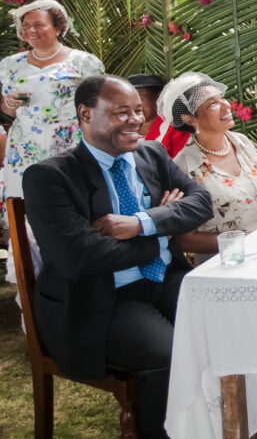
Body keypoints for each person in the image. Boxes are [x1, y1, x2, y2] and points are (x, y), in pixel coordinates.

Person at [23, 75, 212, 439]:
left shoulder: (151, 153)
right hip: (101, 300)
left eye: (138, 111)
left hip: (164, 278)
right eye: (121, 112)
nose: (135, 120)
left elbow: (199, 202)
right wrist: (160, 234)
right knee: (171, 355)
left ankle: (217, 425)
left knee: (223, 324)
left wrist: (142, 222)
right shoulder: (49, 178)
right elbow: (81, 257)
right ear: (85, 114)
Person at [1, 0, 104, 282]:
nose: (30, 30)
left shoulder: (84, 62)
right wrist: (9, 104)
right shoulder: (10, 65)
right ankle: (29, 291)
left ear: (58, 26)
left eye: (38, 24)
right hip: (25, 152)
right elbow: (7, 110)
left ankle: (74, 279)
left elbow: (100, 104)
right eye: (26, 26)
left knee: (69, 209)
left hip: (68, 148)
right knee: (27, 217)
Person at [160, 72, 257, 262]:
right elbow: (186, 239)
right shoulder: (183, 166)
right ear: (189, 118)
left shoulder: (243, 142)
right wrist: (248, 242)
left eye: (222, 98)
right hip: (226, 263)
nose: (226, 105)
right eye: (212, 103)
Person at [128, 73, 189, 158]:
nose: (133, 104)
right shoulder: (122, 130)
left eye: (139, 98)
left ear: (158, 97)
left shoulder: (175, 129)